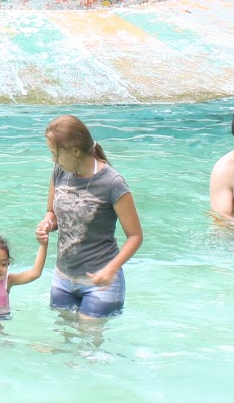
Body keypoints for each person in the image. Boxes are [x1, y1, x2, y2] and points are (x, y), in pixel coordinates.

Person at [37, 115, 143, 319]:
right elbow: (51, 212)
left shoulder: (113, 183)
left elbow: (135, 236)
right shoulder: (59, 171)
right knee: (65, 343)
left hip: (101, 282)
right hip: (63, 278)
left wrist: (111, 269)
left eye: (55, 154)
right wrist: (47, 223)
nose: (53, 159)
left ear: (75, 151)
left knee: (90, 348)